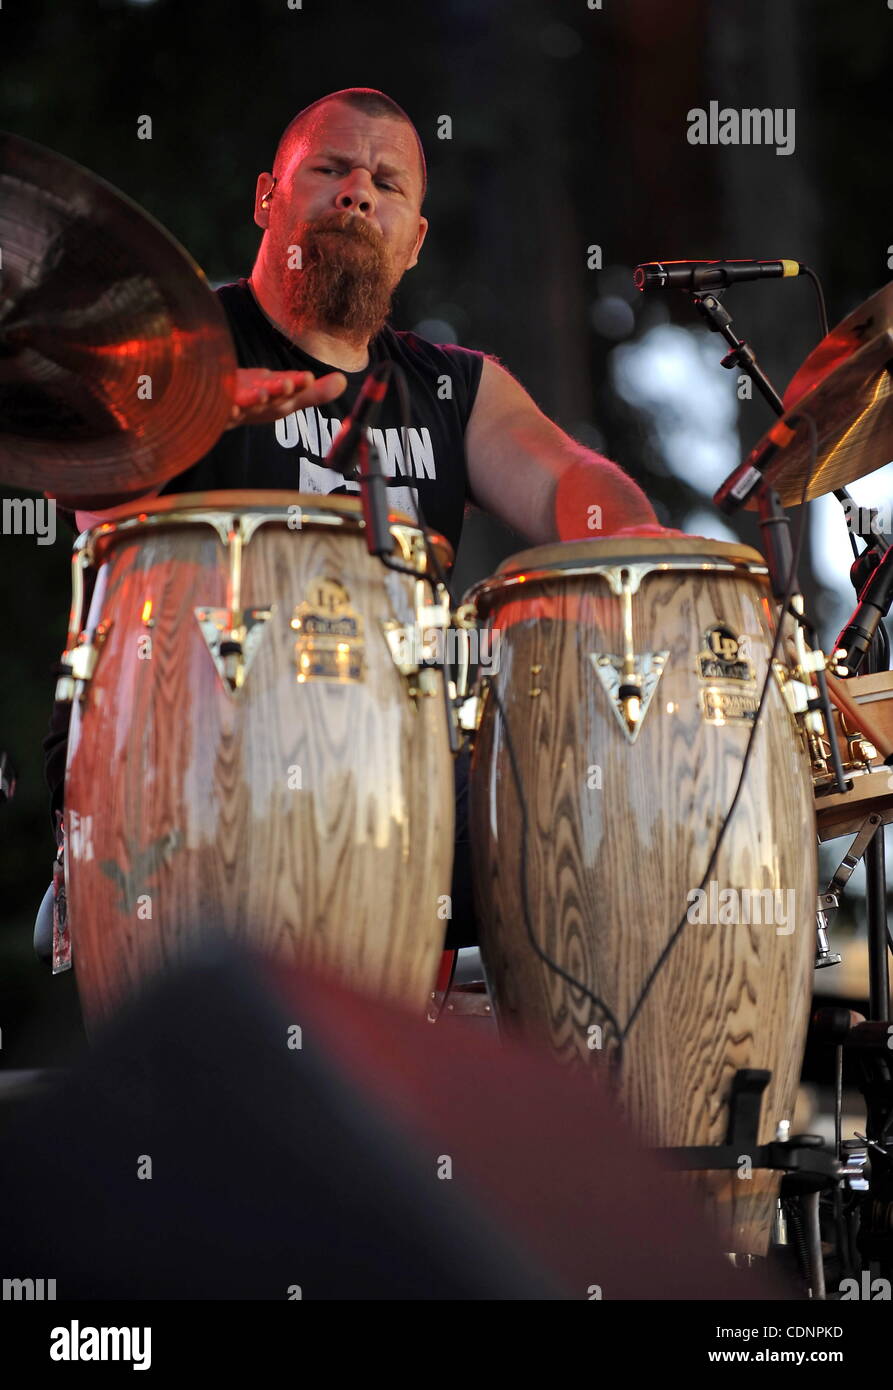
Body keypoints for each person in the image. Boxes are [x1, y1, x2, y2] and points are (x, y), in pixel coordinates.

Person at [38, 86, 664, 965]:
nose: (357, 191)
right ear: (267, 197)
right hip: (184, 764)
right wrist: (184, 414)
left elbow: (571, 479)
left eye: (386, 181)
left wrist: (634, 550)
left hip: (393, 782)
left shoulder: (455, 387)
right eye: (329, 168)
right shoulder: (177, 343)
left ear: (413, 238)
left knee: (604, 849)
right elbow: (83, 495)